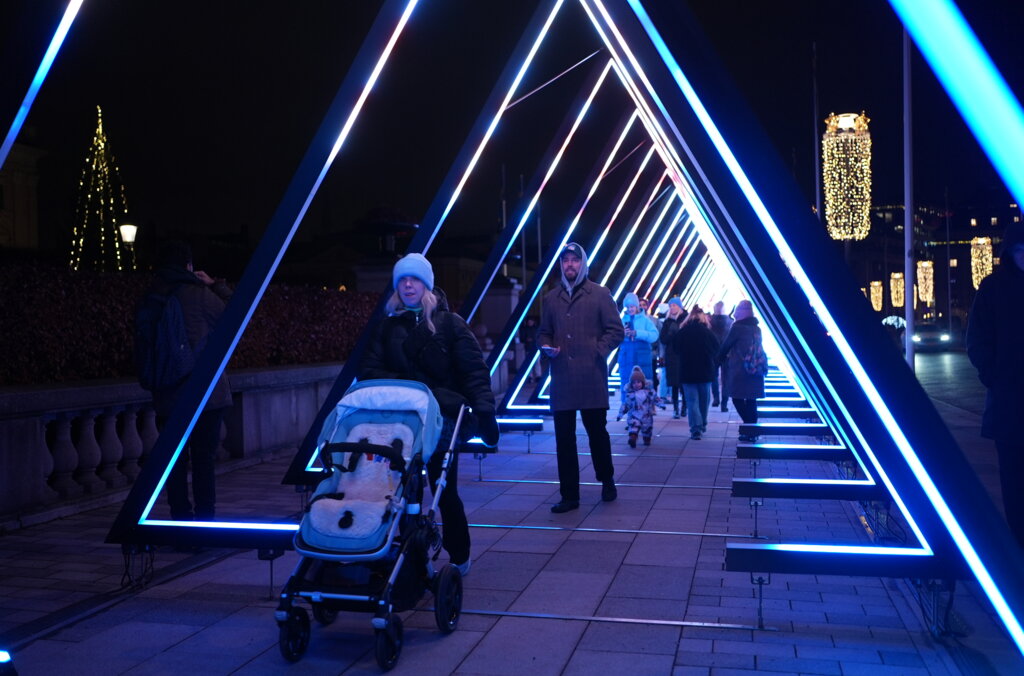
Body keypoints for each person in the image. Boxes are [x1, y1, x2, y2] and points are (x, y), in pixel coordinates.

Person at [360, 253, 500, 575]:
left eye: (414, 279)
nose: (408, 285)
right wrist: (410, 389)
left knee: (444, 490)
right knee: (399, 489)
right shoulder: (387, 327)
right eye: (402, 280)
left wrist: (484, 413)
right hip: (401, 421)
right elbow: (369, 371)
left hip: (441, 421)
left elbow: (473, 372)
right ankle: (407, 550)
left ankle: (459, 553)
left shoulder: (450, 324)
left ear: (427, 284)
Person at [142, 240, 233, 522]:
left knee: (174, 463)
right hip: (206, 394)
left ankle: (179, 519)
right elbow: (236, 320)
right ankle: (204, 522)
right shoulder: (200, 295)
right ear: (189, 266)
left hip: (167, 393)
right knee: (204, 461)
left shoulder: (151, 296)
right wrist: (216, 284)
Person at [537, 242, 625, 513]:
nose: (570, 265)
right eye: (566, 261)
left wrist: (597, 351)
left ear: (583, 263)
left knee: (597, 433)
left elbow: (616, 330)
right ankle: (569, 495)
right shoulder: (551, 298)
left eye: (575, 260)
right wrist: (547, 346)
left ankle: (606, 479)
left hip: (590, 376)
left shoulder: (600, 294)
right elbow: (543, 331)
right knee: (564, 439)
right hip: (562, 376)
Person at [967, 222, 1024, 547]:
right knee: (1015, 483)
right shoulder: (993, 288)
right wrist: (995, 376)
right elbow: (977, 339)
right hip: (1010, 404)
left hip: (1007, 400)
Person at [718, 300, 766, 440]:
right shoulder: (757, 328)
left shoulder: (737, 327)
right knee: (751, 401)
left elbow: (726, 346)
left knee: (736, 398)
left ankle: (749, 429)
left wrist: (718, 359)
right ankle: (752, 432)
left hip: (740, 371)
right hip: (755, 370)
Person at [673, 306, 720, 440]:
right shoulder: (707, 332)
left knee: (692, 401)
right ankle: (702, 423)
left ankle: (695, 428)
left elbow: (675, 348)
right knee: (704, 400)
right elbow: (716, 348)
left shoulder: (683, 332)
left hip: (687, 371)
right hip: (705, 371)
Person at [617, 292, 659, 402]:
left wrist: (638, 333)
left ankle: (646, 407)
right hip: (626, 356)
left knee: (644, 383)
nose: (630, 309)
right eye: (628, 307)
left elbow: (654, 336)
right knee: (626, 383)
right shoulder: (622, 321)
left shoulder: (645, 320)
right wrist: (622, 334)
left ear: (636, 306)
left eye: (632, 306)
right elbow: (615, 338)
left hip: (642, 357)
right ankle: (627, 408)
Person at [659, 297, 687, 419]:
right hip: (671, 355)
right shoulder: (667, 322)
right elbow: (663, 339)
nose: (672, 308)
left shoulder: (686, 320)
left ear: (679, 307)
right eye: (670, 306)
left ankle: (684, 406)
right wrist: (671, 333)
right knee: (674, 383)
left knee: (684, 382)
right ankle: (676, 408)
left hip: (684, 355)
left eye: (674, 305)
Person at [617, 366, 657, 447]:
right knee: (633, 427)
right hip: (634, 415)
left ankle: (646, 439)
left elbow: (655, 399)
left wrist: (661, 404)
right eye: (634, 383)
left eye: (638, 382)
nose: (636, 385)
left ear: (643, 383)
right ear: (631, 384)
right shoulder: (631, 395)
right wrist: (620, 414)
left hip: (647, 416)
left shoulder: (648, 392)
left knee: (647, 430)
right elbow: (625, 405)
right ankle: (632, 439)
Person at [709, 301, 734, 411]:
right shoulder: (730, 322)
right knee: (726, 379)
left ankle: (716, 398)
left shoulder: (710, 321)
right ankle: (724, 403)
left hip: (713, 353)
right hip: (727, 353)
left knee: (713, 377)